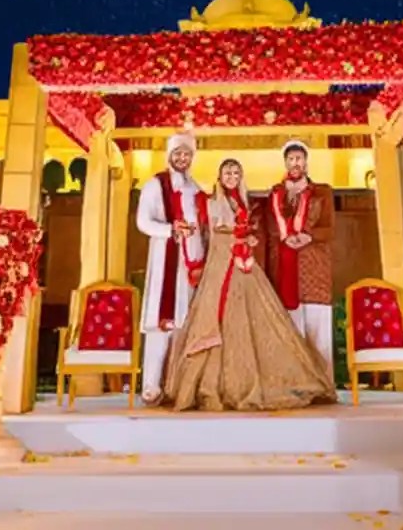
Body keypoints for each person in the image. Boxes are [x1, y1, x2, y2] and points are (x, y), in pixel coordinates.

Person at [165, 159, 336, 411]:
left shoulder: (244, 201)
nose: (232, 176)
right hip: (221, 266)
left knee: (262, 320)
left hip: (244, 265)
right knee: (217, 317)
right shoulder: (211, 202)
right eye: (227, 173)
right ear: (220, 176)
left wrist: (249, 239)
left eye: (236, 172)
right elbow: (214, 232)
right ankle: (214, 386)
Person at [135, 132, 207, 405]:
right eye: (177, 153)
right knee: (160, 324)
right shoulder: (155, 184)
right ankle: (151, 385)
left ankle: (178, 385)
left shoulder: (195, 187)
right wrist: (170, 230)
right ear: (169, 155)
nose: (182, 158)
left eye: (187, 154)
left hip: (190, 264)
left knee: (184, 324)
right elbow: (143, 221)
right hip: (166, 258)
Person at [266, 140, 336, 375]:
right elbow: (271, 228)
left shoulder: (322, 191)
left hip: (313, 267)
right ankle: (295, 384)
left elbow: (330, 229)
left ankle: (324, 385)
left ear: (306, 162)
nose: (295, 163)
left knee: (318, 331)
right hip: (285, 267)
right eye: (291, 159)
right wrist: (286, 237)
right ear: (285, 162)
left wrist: (309, 236)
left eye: (299, 158)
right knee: (291, 329)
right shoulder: (277, 193)